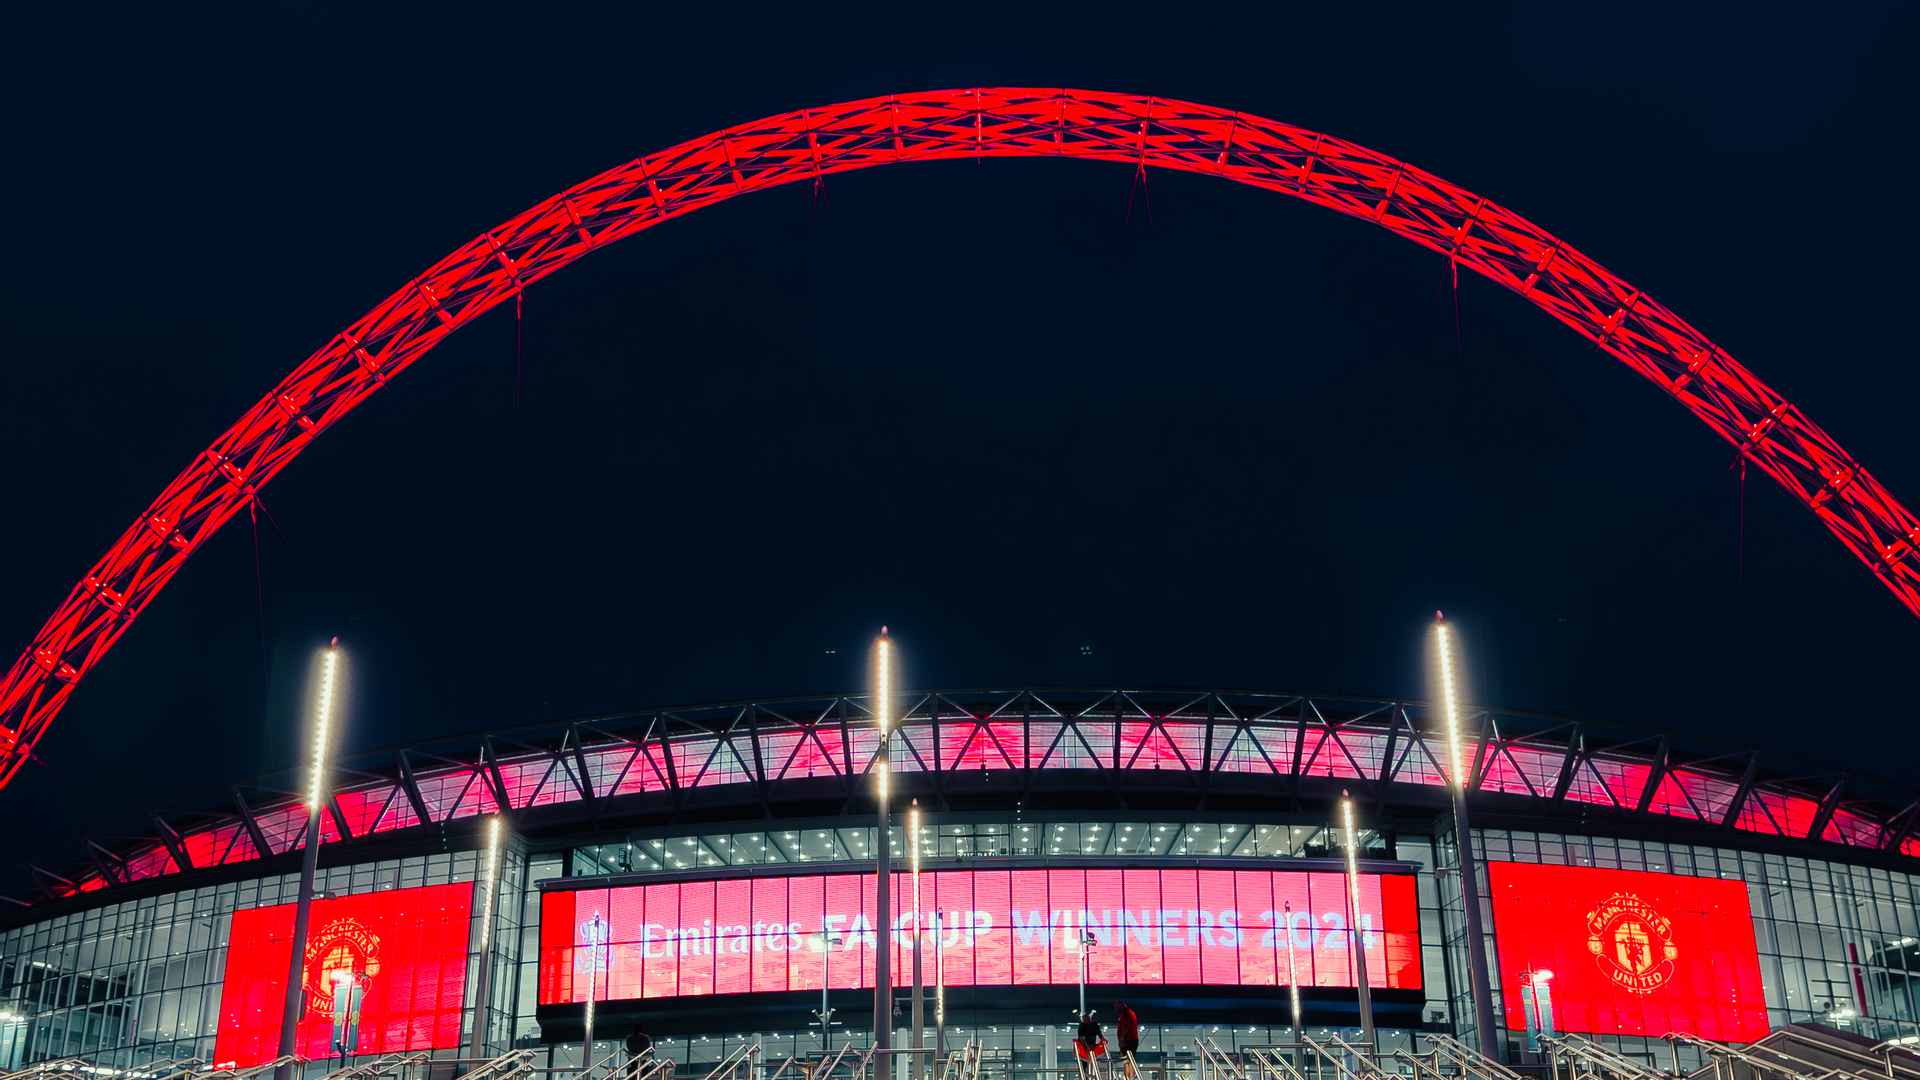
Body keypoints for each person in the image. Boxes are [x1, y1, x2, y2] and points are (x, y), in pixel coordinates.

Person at [1075, 1011, 1106, 1080]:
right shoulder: (1082, 1026)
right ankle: (1084, 1077)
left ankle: (1088, 1076)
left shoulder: (1094, 1025)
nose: (1085, 1020)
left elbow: (1099, 1033)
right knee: (1083, 1064)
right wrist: (1087, 1047)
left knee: (1089, 1063)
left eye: (1086, 1019)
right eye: (1084, 1019)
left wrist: (1103, 1039)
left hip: (1091, 1045)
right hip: (1084, 1047)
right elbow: (1081, 1038)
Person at [1114, 1001, 1140, 1074]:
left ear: (1121, 1006)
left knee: (1128, 1059)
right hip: (1129, 1040)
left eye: (1117, 1007)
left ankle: (1129, 1075)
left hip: (1129, 1040)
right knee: (1127, 1060)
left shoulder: (1127, 1014)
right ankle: (1128, 1075)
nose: (1116, 1009)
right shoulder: (1125, 1014)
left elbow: (1127, 1026)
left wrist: (1122, 1038)